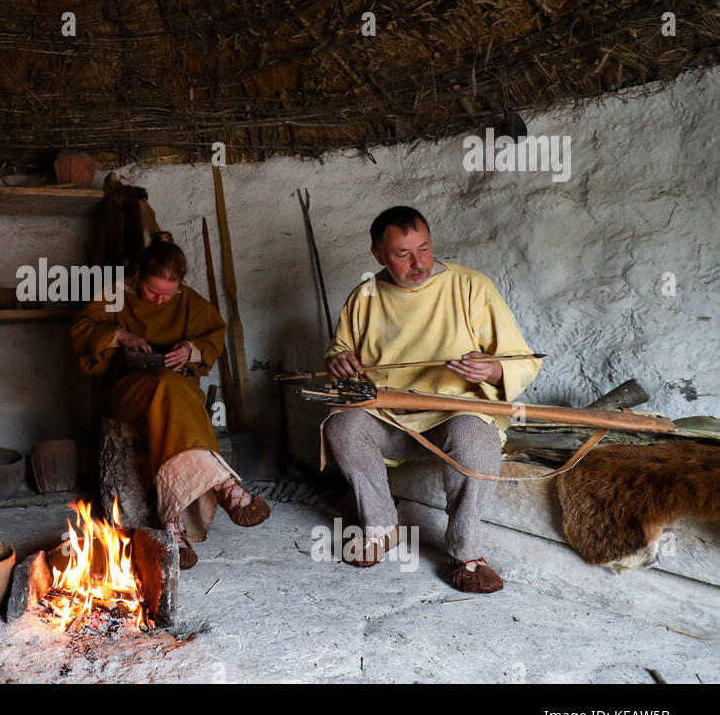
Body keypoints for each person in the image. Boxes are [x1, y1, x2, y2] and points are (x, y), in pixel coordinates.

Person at [322, 206, 542, 593]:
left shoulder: (471, 287)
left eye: (423, 248)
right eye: (401, 254)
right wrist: (338, 361)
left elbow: (521, 360)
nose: (418, 262)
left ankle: (466, 552)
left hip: (452, 416)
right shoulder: (365, 296)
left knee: (474, 433)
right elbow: (340, 351)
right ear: (378, 255)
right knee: (343, 424)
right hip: (388, 417)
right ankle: (381, 528)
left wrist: (491, 370)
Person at [70, 231, 270, 569]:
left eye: (169, 293)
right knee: (167, 386)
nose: (161, 301)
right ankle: (223, 484)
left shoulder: (188, 300)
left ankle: (174, 524)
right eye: (152, 291)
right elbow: (80, 330)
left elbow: (213, 335)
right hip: (129, 388)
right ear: (138, 276)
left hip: (177, 386)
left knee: (174, 389)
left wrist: (189, 349)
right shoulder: (116, 294)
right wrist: (120, 335)